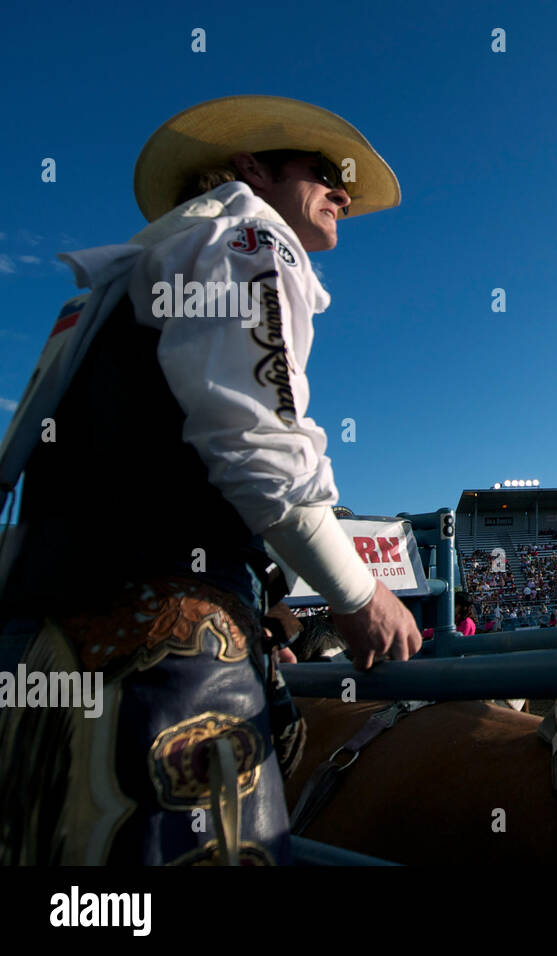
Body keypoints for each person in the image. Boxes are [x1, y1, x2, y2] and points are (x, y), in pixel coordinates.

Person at [0, 95, 421, 866]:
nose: (344, 194)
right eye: (326, 173)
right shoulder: (249, 234)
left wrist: (251, 611)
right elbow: (259, 444)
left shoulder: (130, 281)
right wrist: (359, 596)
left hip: (51, 641)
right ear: (249, 169)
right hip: (156, 647)